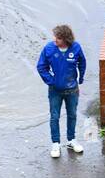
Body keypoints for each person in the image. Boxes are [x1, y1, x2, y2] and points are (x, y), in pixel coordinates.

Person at [37, 24, 86, 158]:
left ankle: (71, 140)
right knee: (54, 117)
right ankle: (56, 143)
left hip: (72, 90)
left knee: (72, 115)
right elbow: (41, 67)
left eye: (58, 38)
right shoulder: (49, 48)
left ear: (65, 39)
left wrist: (81, 78)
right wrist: (51, 81)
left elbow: (82, 62)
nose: (54, 40)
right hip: (55, 91)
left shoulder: (76, 48)